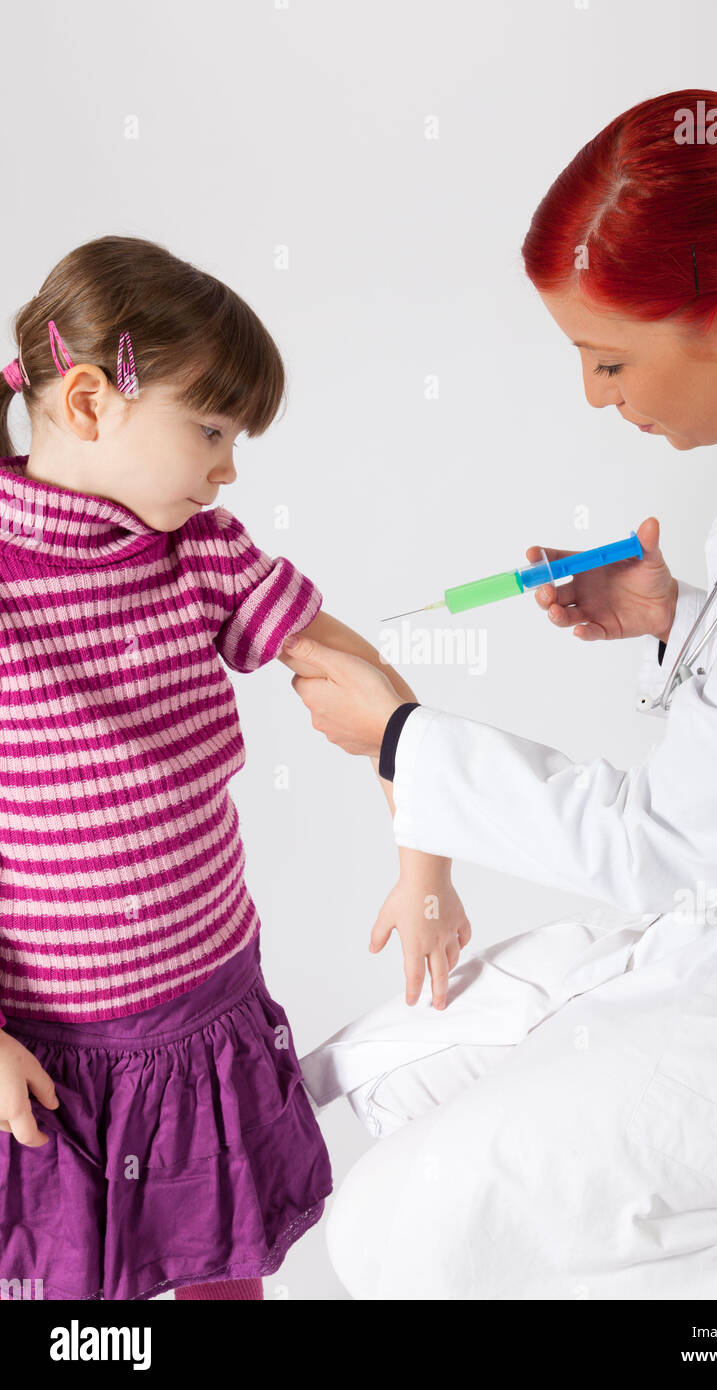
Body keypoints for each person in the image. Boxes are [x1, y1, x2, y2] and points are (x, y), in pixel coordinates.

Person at [282, 90, 717, 1299]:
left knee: (406, 1230)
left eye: (606, 360)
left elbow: (675, 843)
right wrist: (675, 617)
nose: (598, 399)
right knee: (381, 1076)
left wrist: (404, 738)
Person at [0, 234, 471, 1300]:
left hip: (204, 1016)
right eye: (209, 429)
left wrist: (423, 866)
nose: (228, 466)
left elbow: (368, 681)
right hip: (50, 1051)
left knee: (225, 1269)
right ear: (88, 404)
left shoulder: (199, 552)